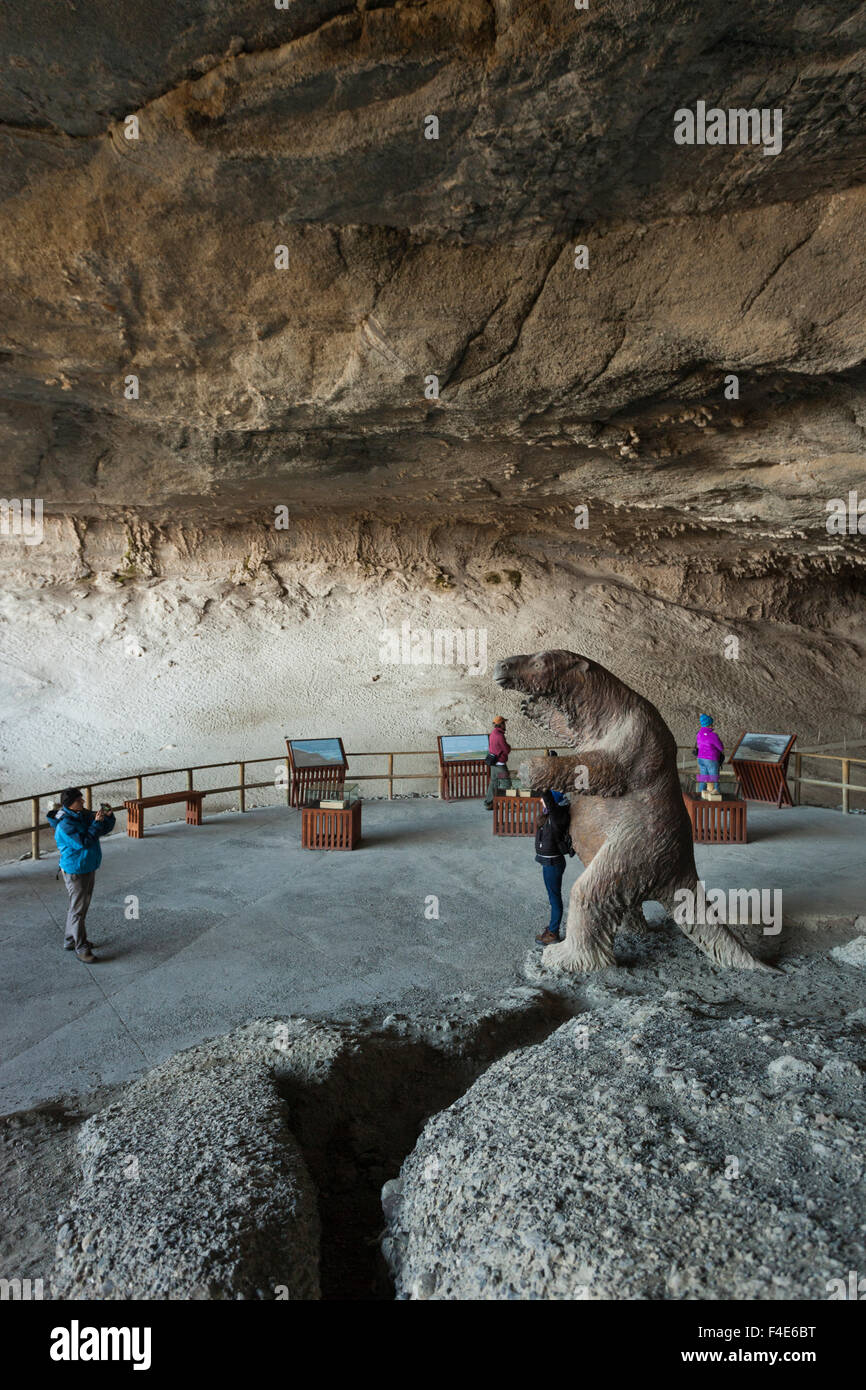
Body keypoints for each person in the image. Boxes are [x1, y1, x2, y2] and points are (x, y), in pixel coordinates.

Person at [47, 789, 115, 963]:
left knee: (78, 907)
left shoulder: (80, 815)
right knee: (79, 910)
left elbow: (102, 829)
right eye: (79, 800)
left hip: (87, 865)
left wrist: (107, 816)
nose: (84, 802)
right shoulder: (65, 824)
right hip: (76, 869)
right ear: (70, 803)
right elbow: (83, 842)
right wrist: (96, 823)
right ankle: (81, 948)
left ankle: (70, 940)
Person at [534, 788, 572, 945]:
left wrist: (542, 786)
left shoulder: (558, 817)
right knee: (552, 896)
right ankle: (552, 927)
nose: (542, 802)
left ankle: (553, 933)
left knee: (554, 898)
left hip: (553, 863)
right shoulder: (549, 816)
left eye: (545, 801)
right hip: (548, 862)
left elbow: (548, 800)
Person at [483, 715, 511, 808]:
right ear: (501, 724)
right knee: (507, 783)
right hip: (500, 764)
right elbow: (506, 750)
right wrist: (509, 747)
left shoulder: (493, 734)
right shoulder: (500, 736)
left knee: (493, 782)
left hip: (493, 763)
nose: (505, 725)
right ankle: (509, 804)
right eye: (504, 723)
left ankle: (489, 802)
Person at [694, 714, 725, 799]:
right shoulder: (713, 735)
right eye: (712, 723)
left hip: (701, 758)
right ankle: (718, 800)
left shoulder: (699, 734)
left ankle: (699, 797)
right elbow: (721, 747)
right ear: (710, 724)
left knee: (703, 778)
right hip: (711, 759)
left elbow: (699, 746)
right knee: (715, 779)